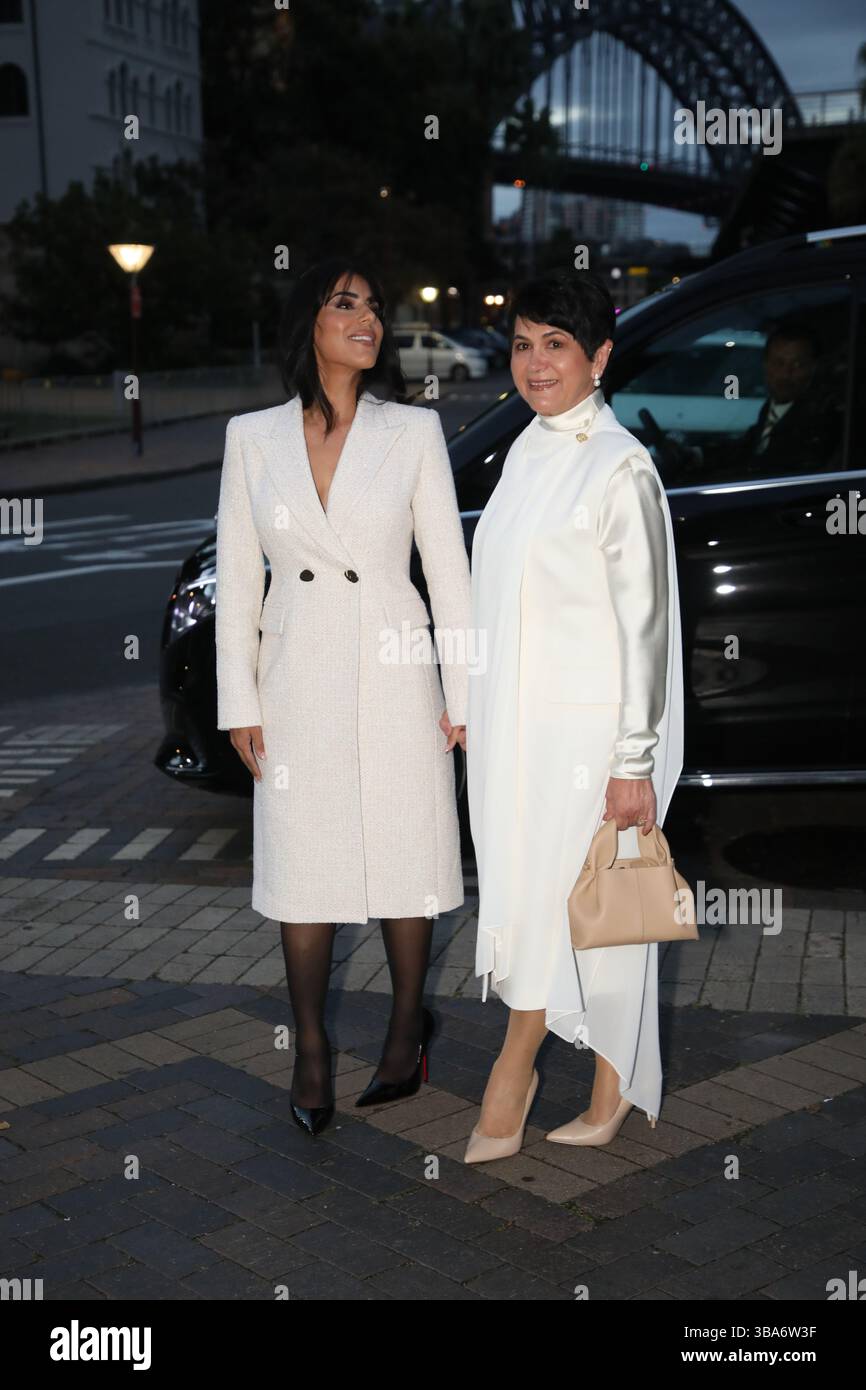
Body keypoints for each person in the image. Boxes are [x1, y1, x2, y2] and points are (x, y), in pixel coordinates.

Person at [214, 257, 471, 1137]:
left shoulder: (413, 432)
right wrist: (236, 700)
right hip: (297, 681)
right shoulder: (253, 437)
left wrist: (462, 688)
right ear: (309, 323)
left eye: (374, 306)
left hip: (398, 667)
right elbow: (238, 579)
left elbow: (448, 571)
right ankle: (312, 1048)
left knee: (404, 845)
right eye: (345, 303)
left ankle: (407, 1027)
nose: (367, 318)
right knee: (304, 867)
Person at [464, 269, 684, 1162]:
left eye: (557, 343)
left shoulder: (620, 467)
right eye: (522, 343)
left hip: (592, 737)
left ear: (600, 356)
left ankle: (512, 1080)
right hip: (520, 731)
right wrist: (467, 698)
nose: (536, 362)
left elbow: (646, 626)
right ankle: (611, 1082)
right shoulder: (528, 449)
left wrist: (633, 759)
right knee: (538, 898)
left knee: (589, 906)